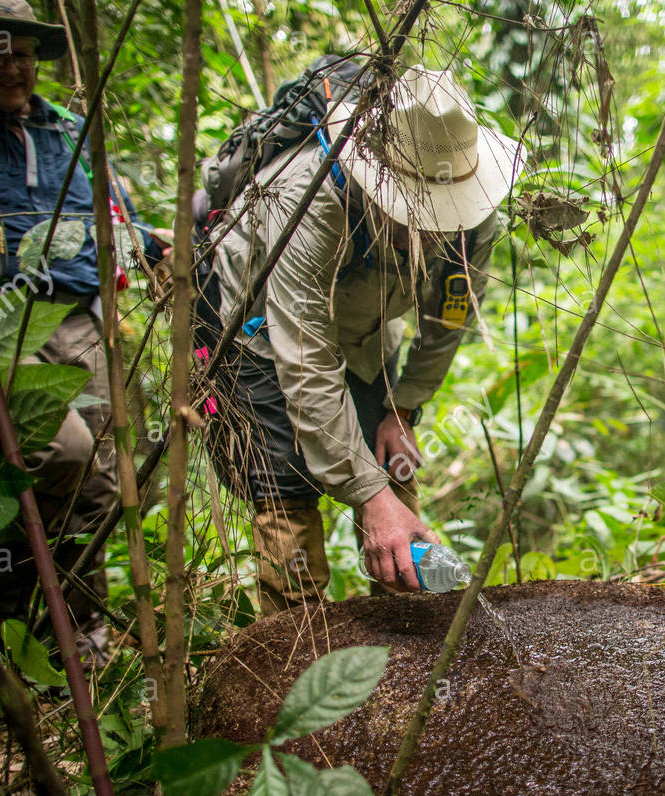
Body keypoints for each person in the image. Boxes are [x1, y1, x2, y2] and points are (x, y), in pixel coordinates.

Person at [200, 65, 522, 612]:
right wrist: (365, 496)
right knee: (289, 490)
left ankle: (407, 652)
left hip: (367, 337)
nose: (429, 228)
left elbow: (449, 316)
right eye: (413, 209)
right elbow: (303, 355)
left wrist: (407, 408)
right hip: (255, 331)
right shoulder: (311, 198)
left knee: (393, 473)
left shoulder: (476, 217)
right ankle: (296, 652)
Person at [0, 0, 166, 657]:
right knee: (59, 453)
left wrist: (154, 243)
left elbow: (110, 219)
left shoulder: (68, 133)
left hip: (78, 317)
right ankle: (0, 620)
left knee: (106, 482)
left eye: (23, 53)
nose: (12, 67)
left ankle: (77, 629)